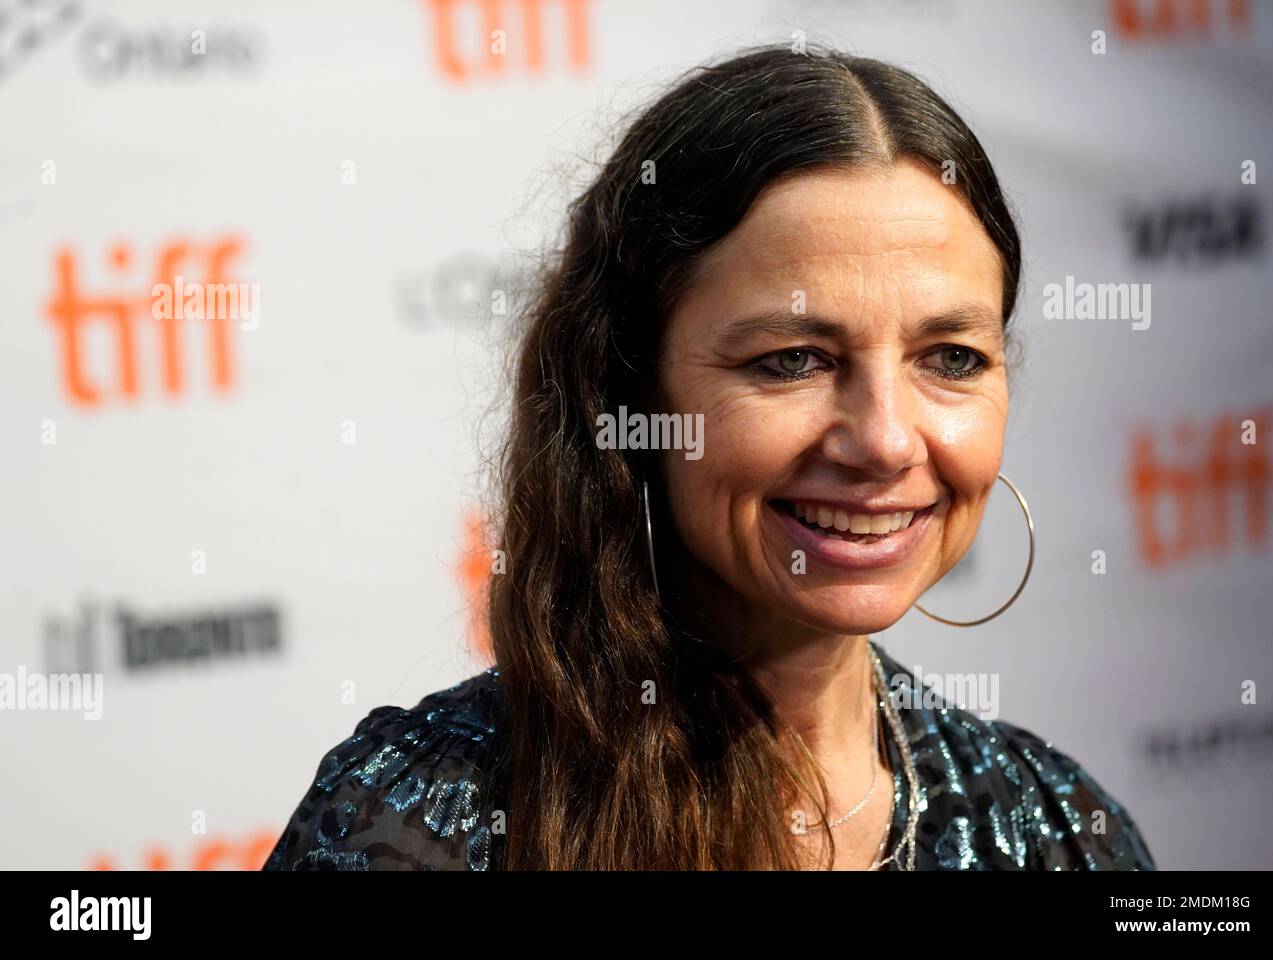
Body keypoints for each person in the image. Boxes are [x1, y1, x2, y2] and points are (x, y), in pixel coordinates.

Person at [264, 43, 1156, 871]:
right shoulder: (420, 829)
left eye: (951, 358)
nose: (884, 439)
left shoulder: (1062, 829)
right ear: (626, 387)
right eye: (791, 361)